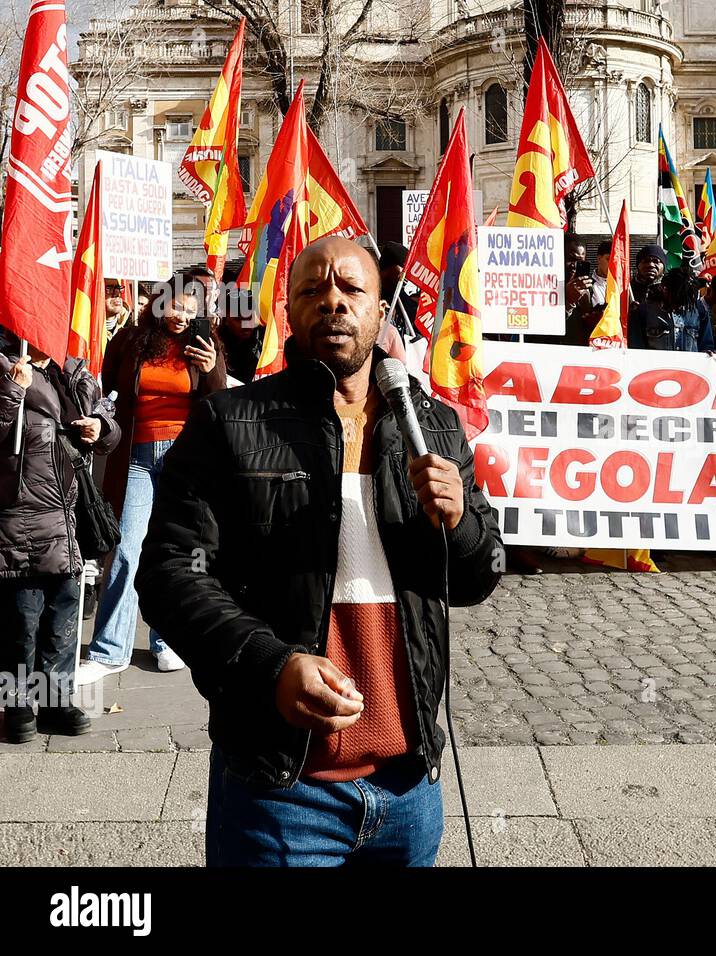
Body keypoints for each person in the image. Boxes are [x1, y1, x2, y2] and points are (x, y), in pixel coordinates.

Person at [134, 236, 503, 866]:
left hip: (410, 789)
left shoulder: (436, 426)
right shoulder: (229, 421)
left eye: (352, 288)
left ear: (381, 310)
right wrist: (271, 666)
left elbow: (478, 575)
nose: (333, 301)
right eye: (312, 289)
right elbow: (171, 575)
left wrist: (460, 521)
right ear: (289, 311)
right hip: (280, 791)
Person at [77, 275, 228, 685]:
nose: (183, 316)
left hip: (184, 459)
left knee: (175, 552)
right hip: (137, 458)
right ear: (160, 303)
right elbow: (110, 392)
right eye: (177, 306)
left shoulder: (206, 346)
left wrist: (210, 371)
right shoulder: (129, 340)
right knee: (126, 549)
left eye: (192, 311)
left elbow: (217, 404)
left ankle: (168, 641)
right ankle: (110, 651)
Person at [0, 339, 121, 740]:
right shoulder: (7, 367)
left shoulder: (72, 372)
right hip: (22, 514)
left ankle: (56, 701)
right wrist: (13, 388)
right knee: (22, 618)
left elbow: (108, 422)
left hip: (70, 517)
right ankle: (17, 705)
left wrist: (102, 427)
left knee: (63, 615)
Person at [630, 265, 715, 352]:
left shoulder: (700, 311)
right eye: (676, 299)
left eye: (684, 302)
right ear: (665, 289)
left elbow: (706, 345)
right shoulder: (644, 311)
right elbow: (636, 349)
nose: (679, 307)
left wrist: (708, 353)